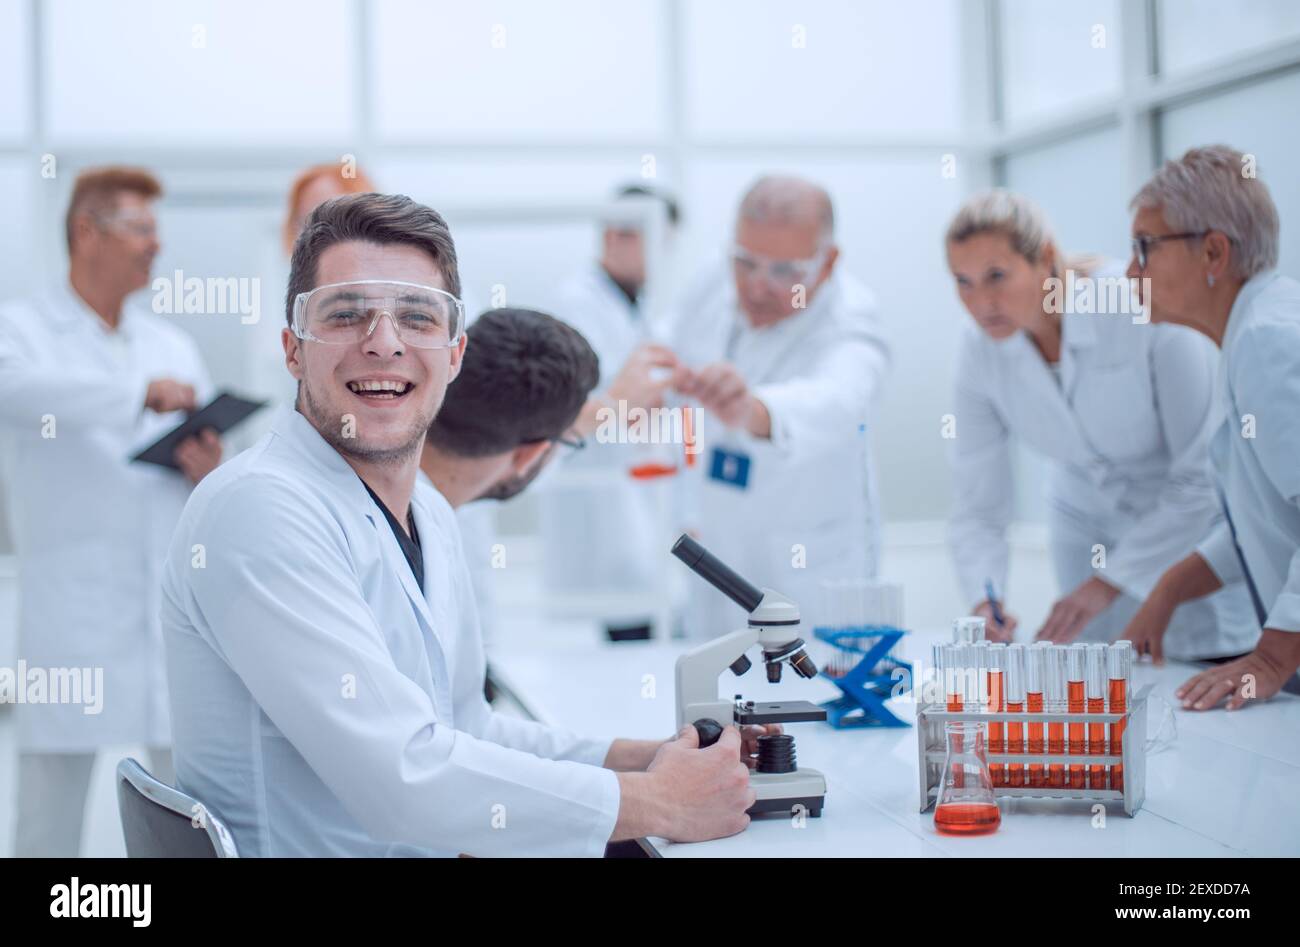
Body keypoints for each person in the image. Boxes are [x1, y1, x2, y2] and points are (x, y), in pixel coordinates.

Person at [161, 193, 759, 856]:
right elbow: (406, 780)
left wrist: (644, 759)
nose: (383, 342)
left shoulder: (429, 512)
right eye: (345, 313)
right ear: (292, 350)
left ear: (454, 354)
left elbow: (465, 727)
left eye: (417, 316)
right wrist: (659, 801)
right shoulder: (259, 509)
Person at [0, 166, 220, 856]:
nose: (156, 245)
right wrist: (136, 395)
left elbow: (201, 438)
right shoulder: (22, 330)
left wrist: (206, 467)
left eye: (158, 229)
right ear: (85, 233)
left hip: (164, 607)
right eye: (140, 228)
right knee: (47, 817)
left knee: (189, 802)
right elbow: (20, 391)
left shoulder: (171, 344)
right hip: (71, 611)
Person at [943, 189, 1255, 657]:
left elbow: (1201, 475)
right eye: (963, 281)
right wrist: (984, 599)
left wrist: (1111, 580)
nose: (981, 301)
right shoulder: (978, 351)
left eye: (996, 276)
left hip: (1188, 541)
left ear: (1045, 258)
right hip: (1083, 533)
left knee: (1206, 687)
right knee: (1100, 687)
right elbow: (979, 503)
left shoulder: (1134, 305)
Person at [669, 175, 890, 639]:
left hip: (810, 573)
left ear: (828, 263)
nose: (757, 285)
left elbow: (840, 398)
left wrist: (755, 410)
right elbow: (668, 345)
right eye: (746, 262)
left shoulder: (851, 316)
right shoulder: (713, 280)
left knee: (807, 699)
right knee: (713, 692)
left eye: (785, 271)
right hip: (718, 549)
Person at [1119, 146, 1300, 709]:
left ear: (1214, 251)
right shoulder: (1251, 332)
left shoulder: (1268, 342)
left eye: (1145, 247)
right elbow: (1273, 510)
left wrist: (1274, 654)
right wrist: (1172, 587)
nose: (1130, 272)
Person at [540, 185, 682, 640]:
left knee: (641, 619)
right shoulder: (576, 304)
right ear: (617, 237)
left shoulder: (635, 305)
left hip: (635, 498)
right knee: (621, 634)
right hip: (601, 500)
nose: (665, 258)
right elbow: (589, 406)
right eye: (659, 243)